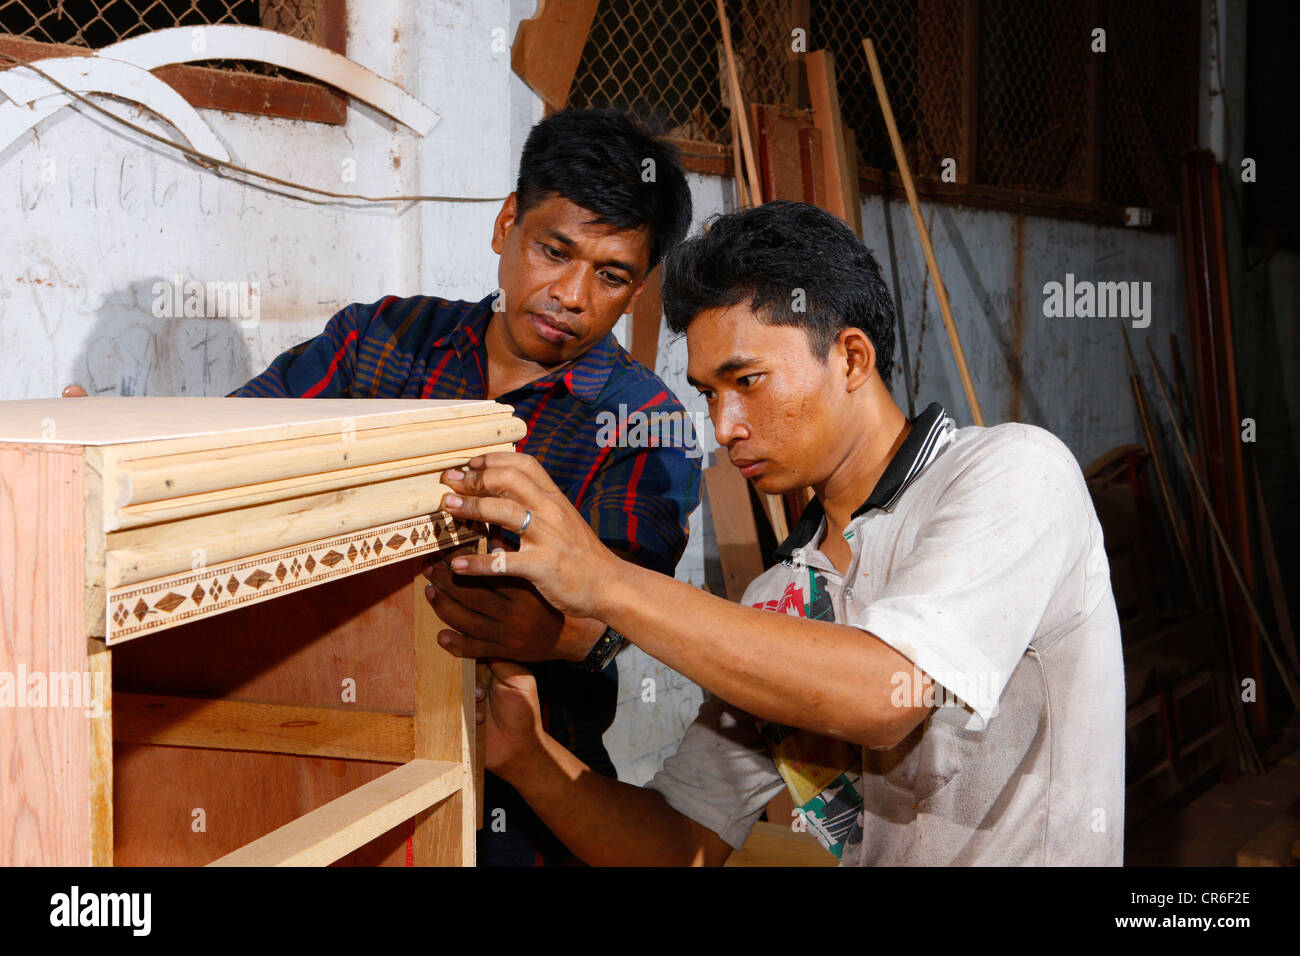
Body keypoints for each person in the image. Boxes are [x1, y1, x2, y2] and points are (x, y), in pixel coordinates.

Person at [436, 200, 1126, 866]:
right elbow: (681, 842)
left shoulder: (1012, 472)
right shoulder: (779, 601)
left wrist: (603, 581)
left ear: (852, 359)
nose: (725, 425)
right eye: (708, 392)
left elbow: (884, 693)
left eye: (749, 380)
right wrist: (527, 759)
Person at [230, 109, 701, 866]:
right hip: (339, 757)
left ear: (637, 288)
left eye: (610, 275)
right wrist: (137, 446)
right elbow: (238, 443)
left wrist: (556, 632)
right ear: (506, 224)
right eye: (554, 250)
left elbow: (632, 607)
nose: (572, 295)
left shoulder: (645, 424)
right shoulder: (378, 340)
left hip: (528, 799)